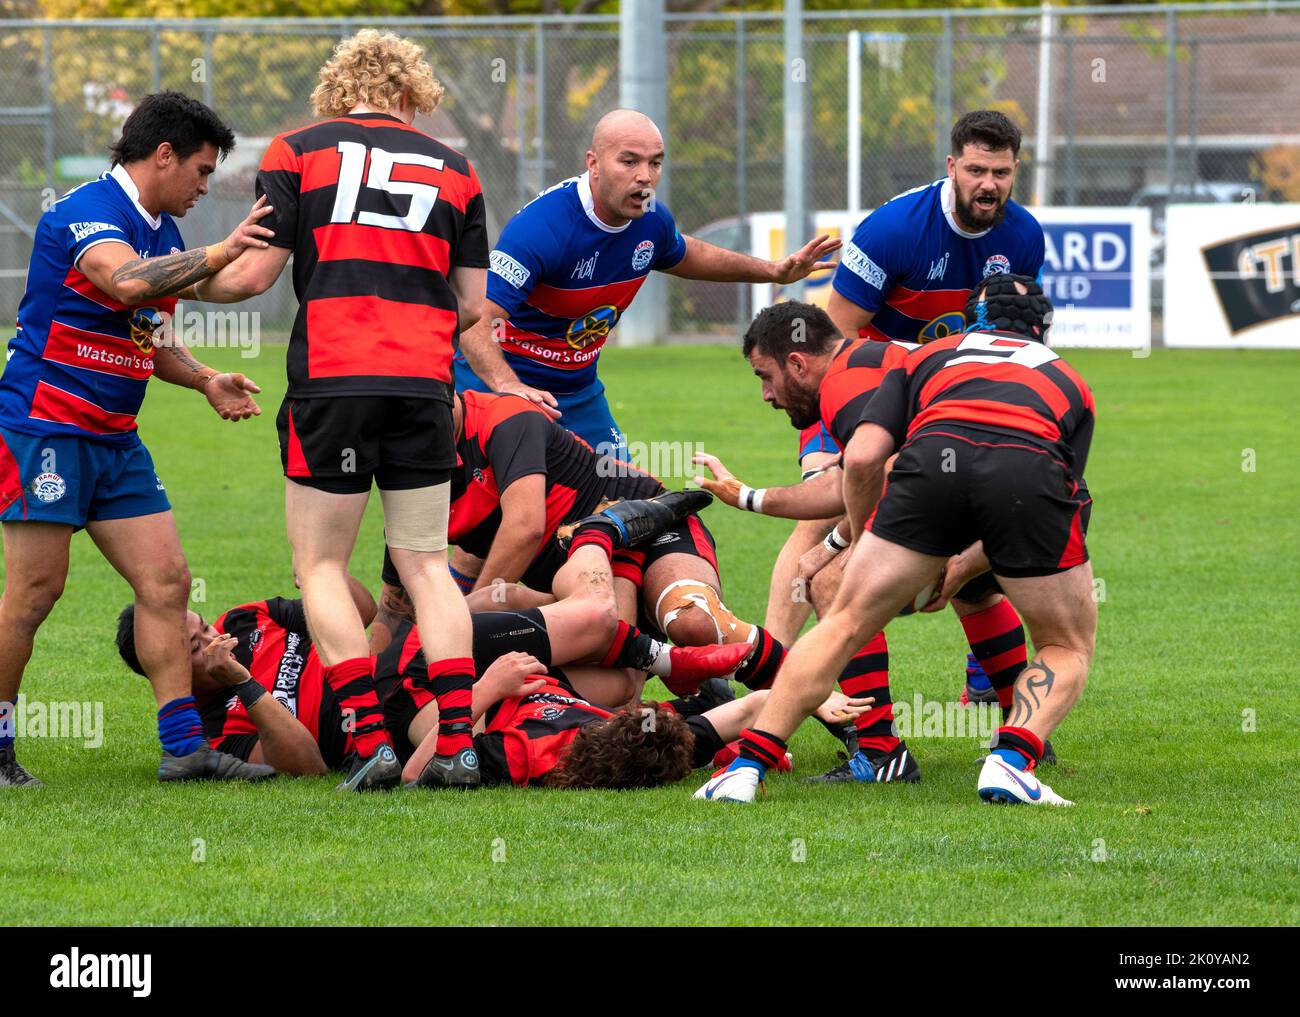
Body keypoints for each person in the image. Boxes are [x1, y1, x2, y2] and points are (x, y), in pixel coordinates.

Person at [191, 30, 491, 791]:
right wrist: (414, 318)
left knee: (321, 563)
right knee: (424, 565)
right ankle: (455, 742)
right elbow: (474, 307)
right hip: (425, 384)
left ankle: (370, 740)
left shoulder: (297, 149)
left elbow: (255, 276)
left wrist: (180, 282)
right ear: (411, 91)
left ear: (337, 86)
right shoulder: (458, 168)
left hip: (334, 380)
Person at [697, 275, 1094, 806]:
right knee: (1062, 643)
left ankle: (753, 765)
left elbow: (863, 463)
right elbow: (1064, 488)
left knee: (841, 611)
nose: (767, 394)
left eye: (765, 377)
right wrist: (965, 563)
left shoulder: (917, 359)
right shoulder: (1072, 381)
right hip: (1027, 480)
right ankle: (1015, 756)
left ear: (969, 321)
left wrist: (860, 542)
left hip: (933, 470)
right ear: (1043, 331)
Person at [0, 91, 277, 786]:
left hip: (115, 437)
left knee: (168, 581)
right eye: (203, 171)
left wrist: (206, 378)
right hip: (46, 428)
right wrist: (218, 249)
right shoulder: (89, 211)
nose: (206, 186)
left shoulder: (159, 230)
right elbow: (124, 284)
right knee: (35, 592)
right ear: (163, 155)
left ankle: (184, 747)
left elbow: (149, 330)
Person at [767, 110, 1048, 709]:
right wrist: (833, 431)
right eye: (976, 170)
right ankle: (771, 666)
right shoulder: (894, 229)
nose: (988, 185)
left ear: (1015, 170)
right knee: (820, 514)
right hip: (870, 393)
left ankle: (984, 671)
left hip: (953, 403)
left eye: (1000, 172)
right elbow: (831, 340)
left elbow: (1020, 340)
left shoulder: (1023, 236)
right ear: (952, 166)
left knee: (986, 517)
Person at [115, 534, 754, 778]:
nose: (207, 638)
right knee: (608, 686)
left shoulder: (244, 620)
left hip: (413, 652)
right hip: (402, 703)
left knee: (586, 617)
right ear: (160, 665)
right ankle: (677, 681)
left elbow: (360, 611)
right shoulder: (215, 730)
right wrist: (245, 686)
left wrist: (317, 581)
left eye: (198, 627)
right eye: (191, 646)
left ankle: (603, 538)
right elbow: (307, 767)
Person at [454, 107, 839, 462]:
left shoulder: (651, 218)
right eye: (629, 161)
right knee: (507, 515)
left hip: (577, 391)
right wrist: (507, 385)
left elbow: (684, 252)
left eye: (655, 163)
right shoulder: (542, 229)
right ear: (594, 163)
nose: (645, 176)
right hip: (498, 384)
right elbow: (477, 320)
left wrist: (773, 271)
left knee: (623, 499)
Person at [377, 390, 791, 700]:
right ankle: (701, 704)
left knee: (695, 624)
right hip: (583, 579)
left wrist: (464, 618)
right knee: (610, 693)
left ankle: (830, 705)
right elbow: (394, 609)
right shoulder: (407, 474)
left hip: (649, 523)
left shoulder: (503, 418)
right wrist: (370, 693)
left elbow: (524, 528)